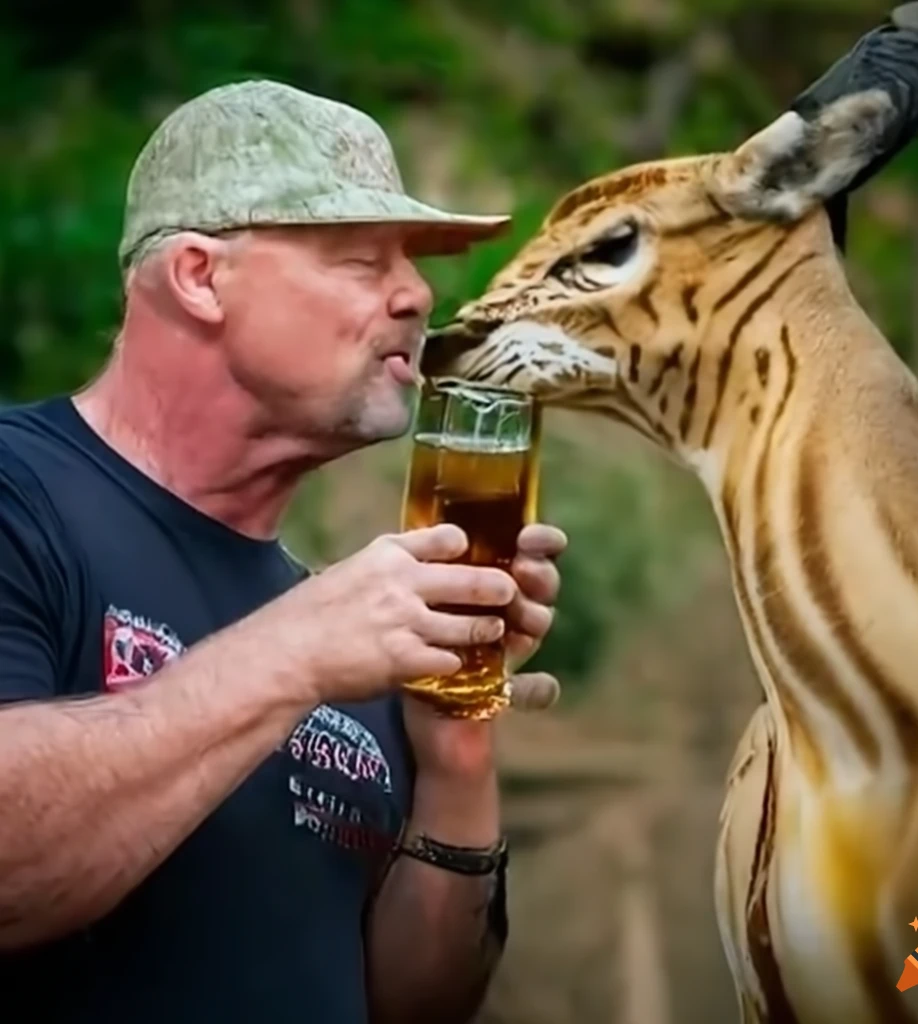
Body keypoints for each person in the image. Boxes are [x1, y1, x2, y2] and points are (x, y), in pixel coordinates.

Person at [0, 79, 566, 1023]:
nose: (418, 296)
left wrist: (456, 747)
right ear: (197, 276)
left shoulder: (352, 639)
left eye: (415, 266)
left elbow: (411, 1005)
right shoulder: (20, 493)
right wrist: (298, 651)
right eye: (359, 260)